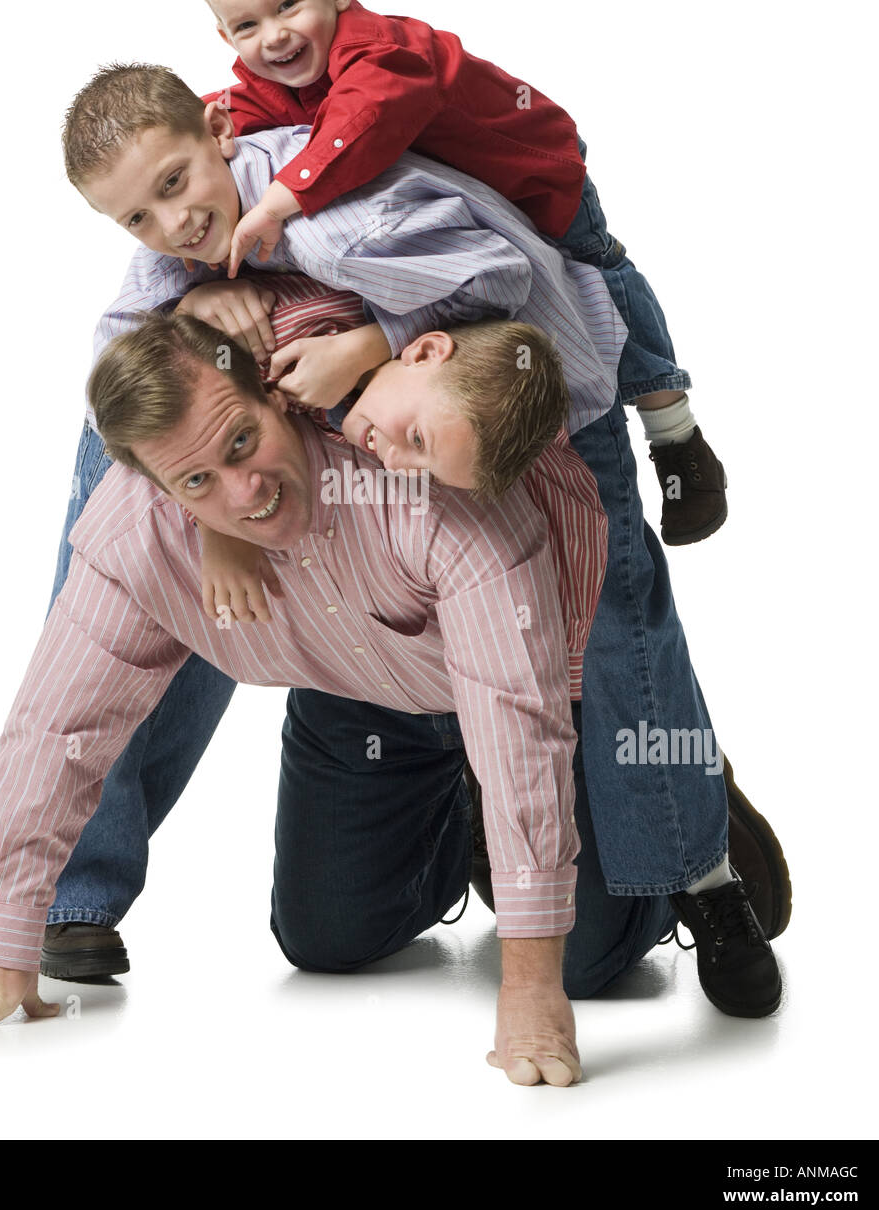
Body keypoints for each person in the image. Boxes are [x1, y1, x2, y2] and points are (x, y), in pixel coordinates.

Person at [46, 64, 787, 1016]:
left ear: (222, 133)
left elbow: (506, 278)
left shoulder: (350, 217)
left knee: (590, 947)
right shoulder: (177, 271)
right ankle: (78, 891)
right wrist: (191, 370)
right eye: (136, 218)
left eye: (176, 186)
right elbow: (116, 378)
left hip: (507, 599)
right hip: (374, 652)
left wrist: (371, 338)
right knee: (326, 938)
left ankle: (691, 845)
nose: (170, 225)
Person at [196, 0, 728, 548]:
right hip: (465, 222)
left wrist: (282, 198)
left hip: (533, 183)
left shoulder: (382, 52)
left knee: (599, 292)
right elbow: (224, 114)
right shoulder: (266, 75)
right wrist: (180, 133)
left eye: (287, 7)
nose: (273, 37)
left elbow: (359, 123)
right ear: (226, 37)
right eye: (246, 25)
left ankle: (670, 426)